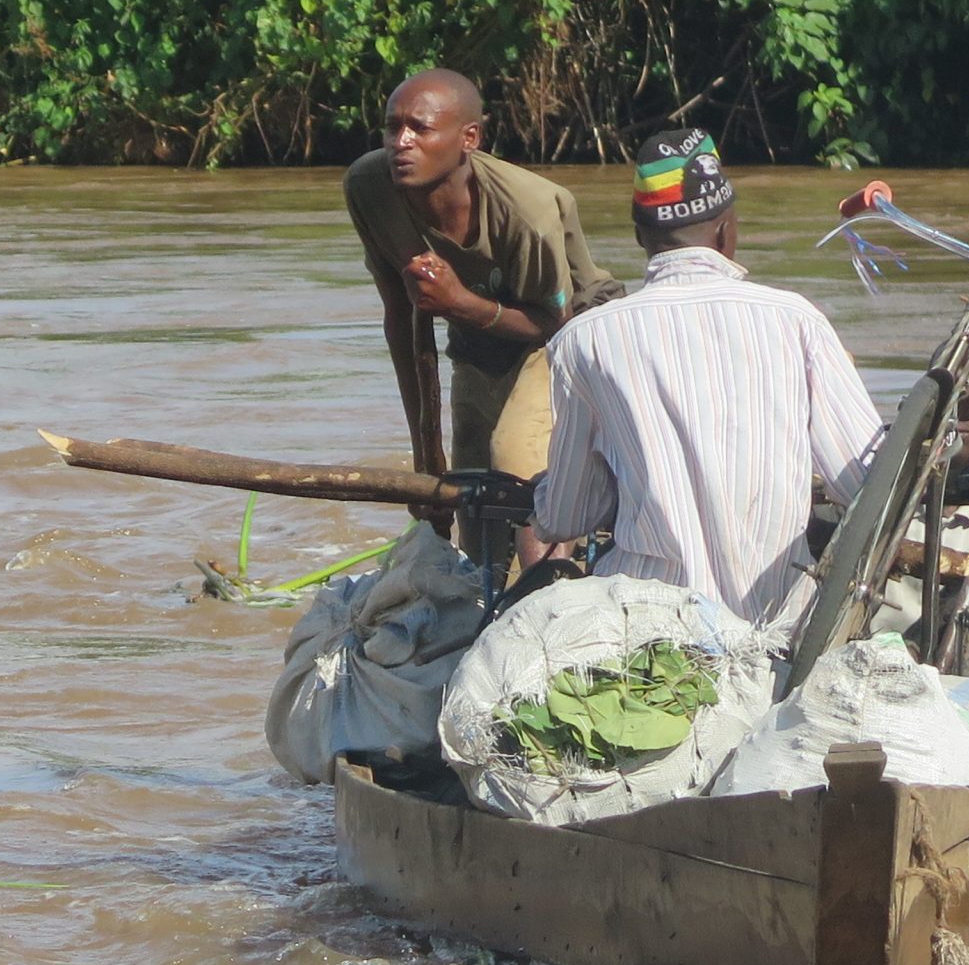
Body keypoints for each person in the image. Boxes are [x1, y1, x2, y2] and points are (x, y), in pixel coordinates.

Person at [530, 128, 885, 626]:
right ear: (725, 229)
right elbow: (867, 486)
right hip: (776, 625)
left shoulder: (583, 339)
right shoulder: (795, 319)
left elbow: (566, 517)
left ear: (640, 236)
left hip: (649, 631)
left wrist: (548, 494)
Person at [343, 69, 621, 566]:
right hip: (480, 336)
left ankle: (548, 595)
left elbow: (554, 326)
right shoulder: (370, 187)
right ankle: (488, 605)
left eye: (420, 129)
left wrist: (457, 304)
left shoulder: (527, 212)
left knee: (516, 461)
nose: (400, 142)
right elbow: (401, 316)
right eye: (392, 127)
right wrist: (426, 458)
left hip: (570, 333)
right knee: (473, 495)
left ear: (469, 139)